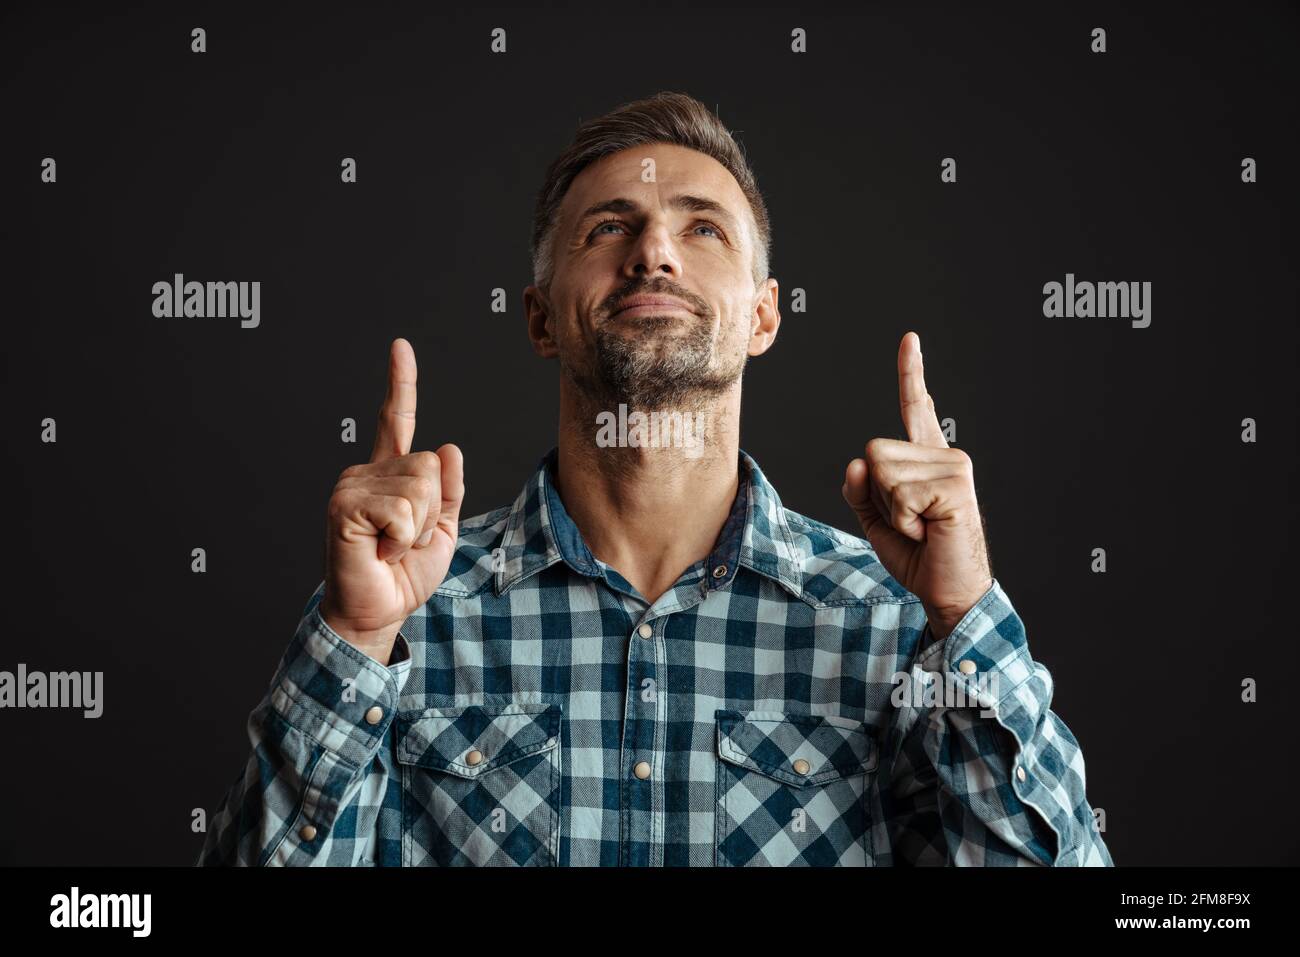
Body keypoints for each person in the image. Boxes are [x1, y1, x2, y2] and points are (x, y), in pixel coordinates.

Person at [199, 91, 1113, 867]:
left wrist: (966, 615)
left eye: (701, 227)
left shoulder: (898, 624)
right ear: (540, 319)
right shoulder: (405, 617)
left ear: (763, 316)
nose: (654, 253)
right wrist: (353, 639)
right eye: (610, 228)